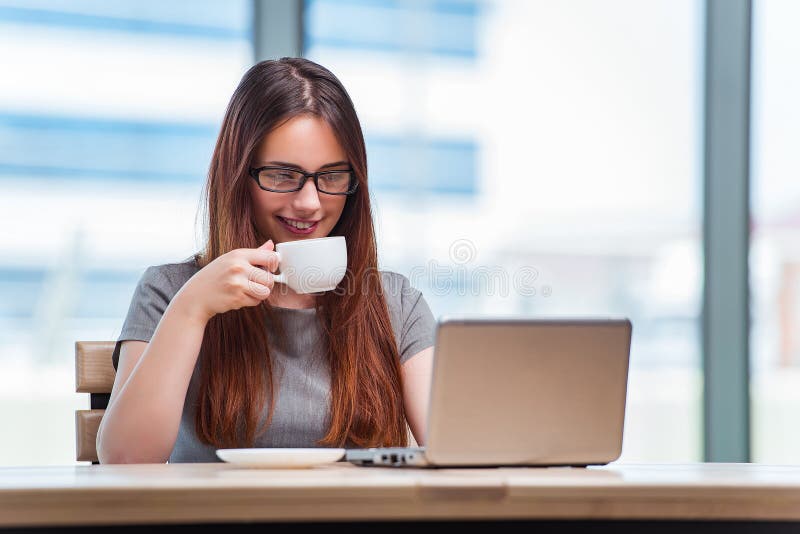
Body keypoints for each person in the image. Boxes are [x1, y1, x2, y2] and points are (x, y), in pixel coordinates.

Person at [96, 57, 436, 463]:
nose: (309, 202)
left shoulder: (393, 303)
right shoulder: (169, 291)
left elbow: (464, 452)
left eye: (331, 176)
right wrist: (191, 309)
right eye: (281, 175)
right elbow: (126, 460)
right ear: (238, 176)